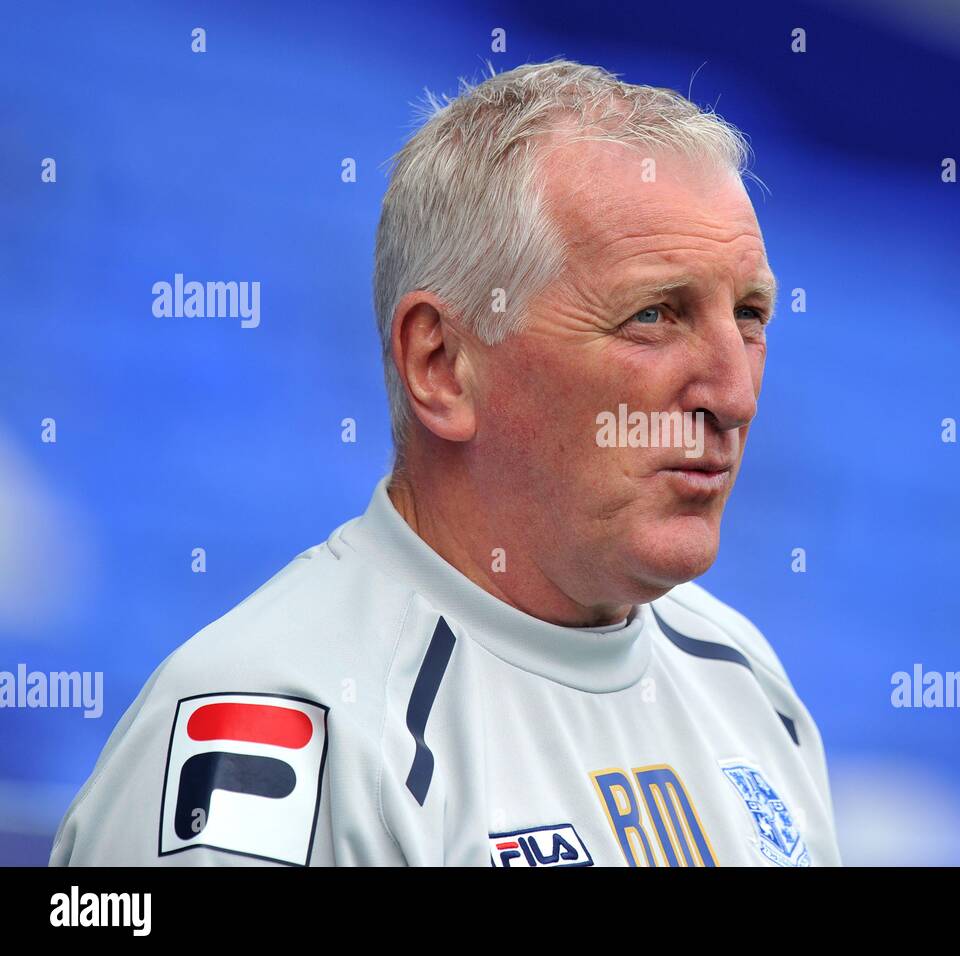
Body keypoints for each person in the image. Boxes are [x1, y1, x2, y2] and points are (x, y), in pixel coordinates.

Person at [49, 59, 841, 867]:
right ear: (442, 364)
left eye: (749, 314)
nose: (736, 395)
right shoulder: (280, 733)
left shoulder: (745, 680)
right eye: (653, 315)